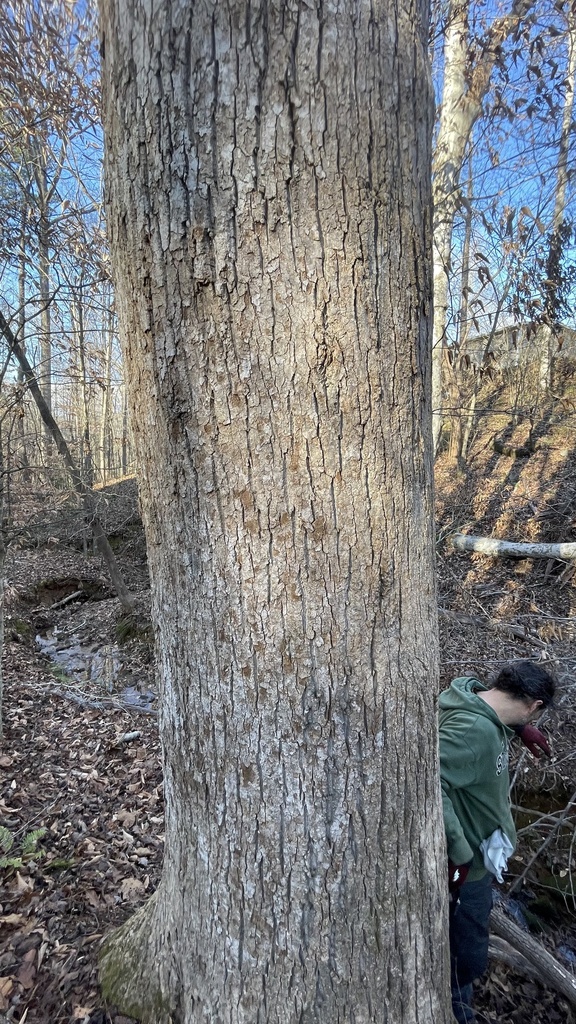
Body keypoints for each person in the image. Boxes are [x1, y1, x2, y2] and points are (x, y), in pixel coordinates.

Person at [439, 660, 556, 1024]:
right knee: (465, 958)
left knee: (466, 949)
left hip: (477, 857)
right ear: (535, 705)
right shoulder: (475, 730)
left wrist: (519, 729)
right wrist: (458, 853)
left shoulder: (475, 702)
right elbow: (431, 781)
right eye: (534, 717)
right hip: (466, 866)